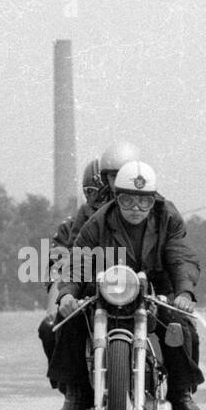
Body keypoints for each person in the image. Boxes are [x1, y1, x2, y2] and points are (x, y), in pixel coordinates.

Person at [48, 160, 205, 410]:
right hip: (106, 289)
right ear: (117, 197)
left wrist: (184, 292)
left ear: (153, 199)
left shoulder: (167, 216)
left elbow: (180, 256)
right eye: (128, 200)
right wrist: (67, 294)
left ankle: (181, 396)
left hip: (154, 288)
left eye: (144, 202)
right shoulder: (98, 221)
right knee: (69, 324)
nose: (136, 208)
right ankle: (76, 396)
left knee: (181, 325)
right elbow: (78, 260)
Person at [37, 145, 137, 378]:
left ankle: (179, 394)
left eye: (104, 194)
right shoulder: (72, 226)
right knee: (51, 328)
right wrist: (59, 303)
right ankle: (73, 390)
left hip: (135, 294)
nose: (99, 201)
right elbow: (59, 269)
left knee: (178, 326)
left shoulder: (144, 216)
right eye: (91, 194)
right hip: (89, 296)